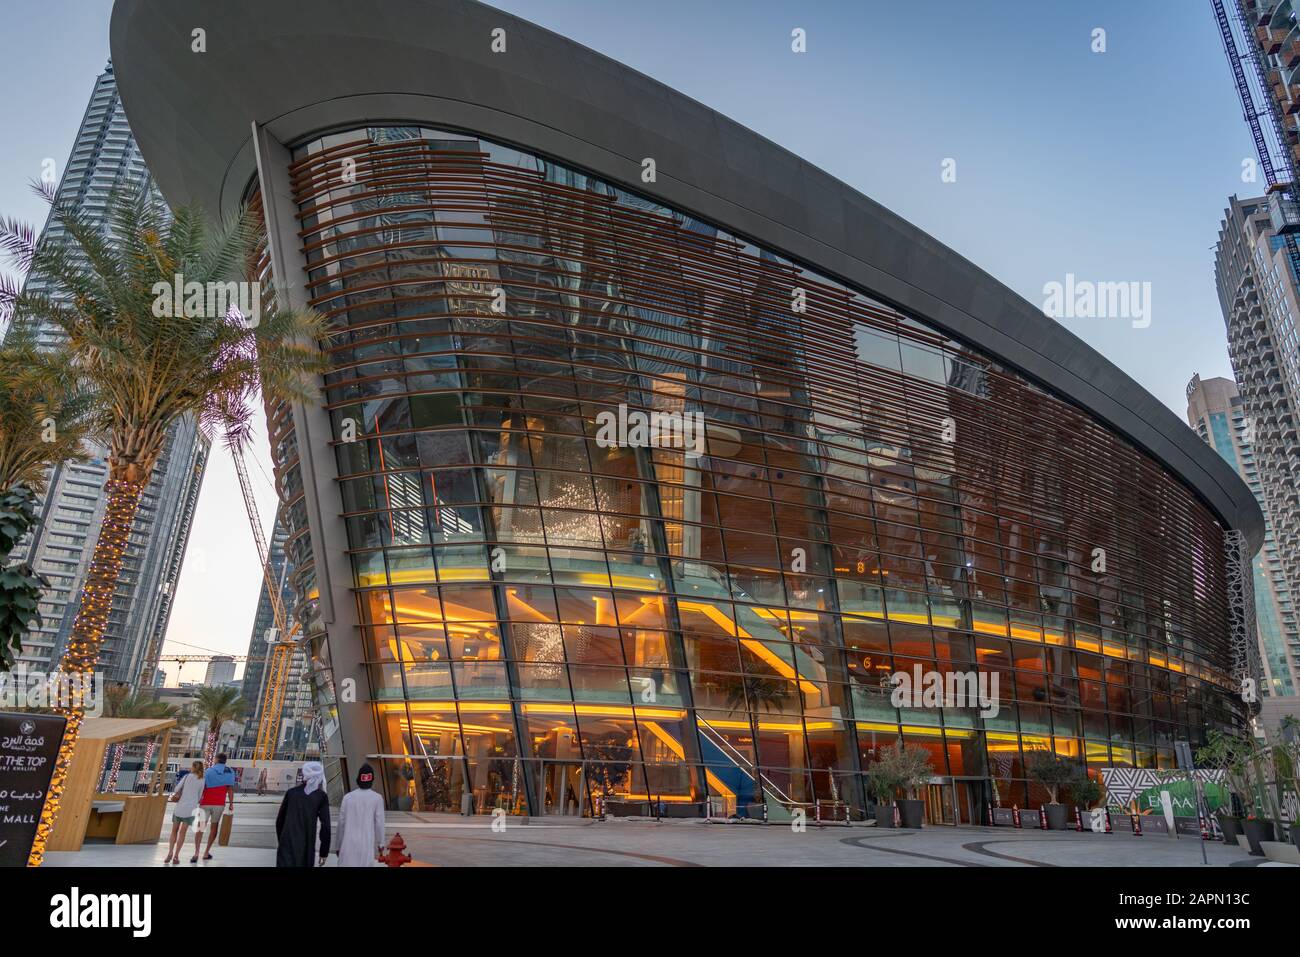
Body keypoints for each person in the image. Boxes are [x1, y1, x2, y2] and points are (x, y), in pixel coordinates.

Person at [275, 760, 330, 867]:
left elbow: (279, 821)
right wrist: (324, 852)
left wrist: (282, 842)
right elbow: (326, 826)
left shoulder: (291, 793)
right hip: (306, 848)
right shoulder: (321, 796)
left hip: (286, 846)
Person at [336, 764, 386, 867]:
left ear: (359, 779)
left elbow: (341, 823)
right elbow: (379, 824)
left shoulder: (347, 798)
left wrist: (338, 845)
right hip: (366, 846)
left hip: (347, 845)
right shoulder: (377, 798)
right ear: (371, 780)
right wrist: (381, 843)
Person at [195, 752, 236, 862]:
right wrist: (231, 803)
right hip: (219, 804)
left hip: (206, 802)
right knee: (214, 827)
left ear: (216, 760)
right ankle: (206, 852)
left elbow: (202, 787)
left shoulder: (208, 771)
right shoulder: (230, 771)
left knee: (201, 827)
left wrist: (198, 800)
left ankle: (196, 852)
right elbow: (230, 789)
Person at [164, 760, 204, 865]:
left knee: (174, 831)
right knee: (182, 833)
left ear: (193, 767)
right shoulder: (202, 780)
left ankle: (170, 852)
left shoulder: (186, 777)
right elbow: (199, 797)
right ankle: (176, 856)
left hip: (180, 808)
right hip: (190, 810)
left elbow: (177, 788)